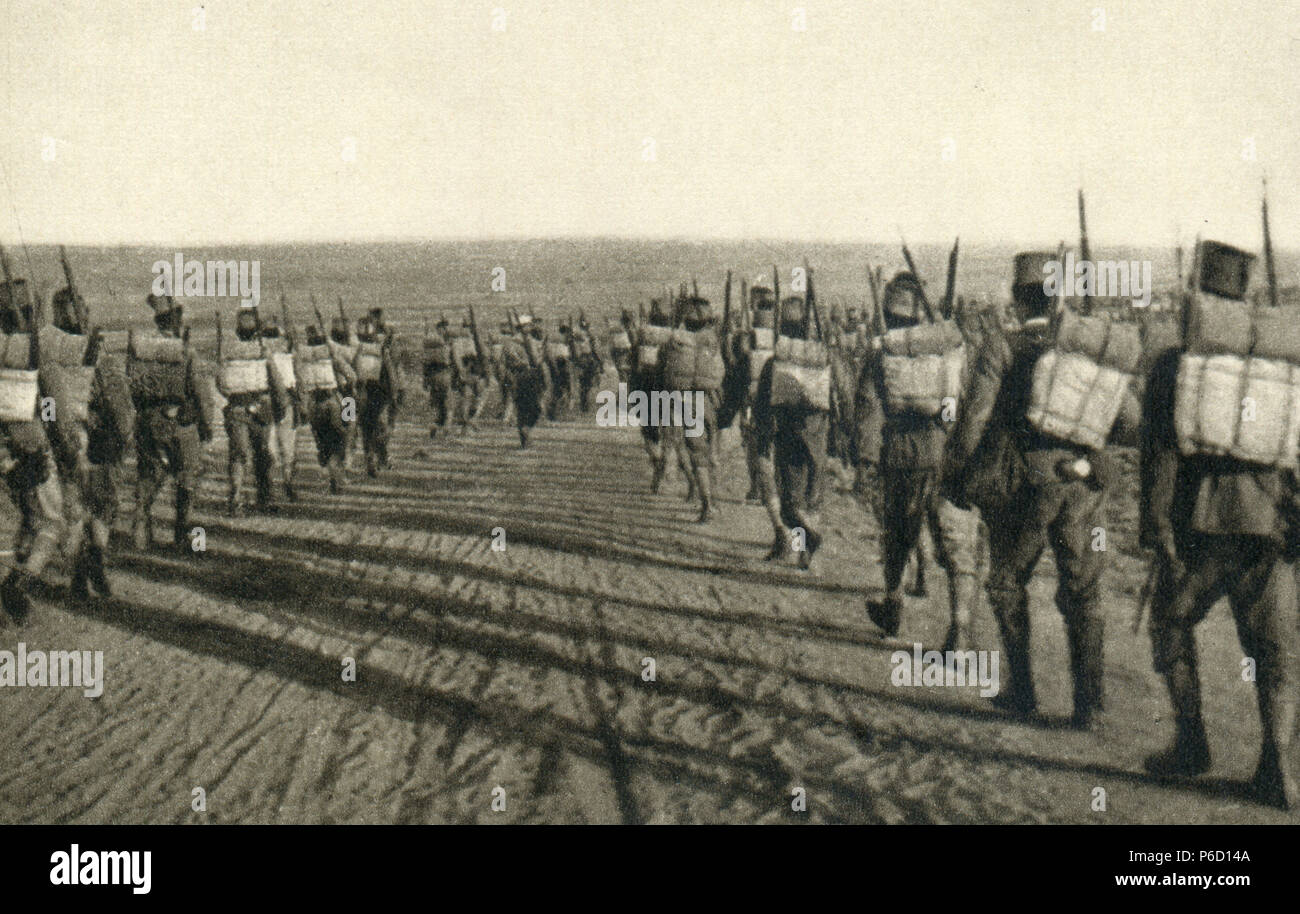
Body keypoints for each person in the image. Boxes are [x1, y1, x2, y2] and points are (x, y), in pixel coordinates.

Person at [944, 258, 1138, 728]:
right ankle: (1089, 705)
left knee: (1008, 581)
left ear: (1017, 296)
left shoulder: (1003, 345)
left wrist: (959, 472)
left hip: (1026, 484)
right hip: (1084, 482)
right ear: (1059, 298)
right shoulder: (1086, 348)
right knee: (1084, 590)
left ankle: (1022, 690)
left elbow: (975, 419)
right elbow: (1130, 420)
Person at [1140, 290, 1300, 809]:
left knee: (1169, 620)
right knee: (1275, 647)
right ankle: (1278, 767)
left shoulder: (1178, 363)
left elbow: (1160, 452)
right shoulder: (1282, 365)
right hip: (1269, 526)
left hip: (1199, 528)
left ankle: (1191, 742)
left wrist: (1158, 524)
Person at [856, 272, 981, 651]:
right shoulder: (949, 351)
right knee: (958, 542)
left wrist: (865, 459)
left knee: (898, 534)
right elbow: (965, 400)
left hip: (902, 453)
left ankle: (893, 606)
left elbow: (868, 407)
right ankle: (959, 628)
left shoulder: (882, 352)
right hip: (947, 451)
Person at [0, 278, 64, 621]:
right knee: (52, 524)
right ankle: (17, 584)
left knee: (23, 518)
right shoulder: (35, 351)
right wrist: (59, 440)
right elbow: (53, 405)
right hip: (30, 446)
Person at [751, 294, 828, 568]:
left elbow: (762, 403)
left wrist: (762, 436)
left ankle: (805, 539)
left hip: (788, 436)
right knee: (812, 497)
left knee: (791, 502)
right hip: (818, 437)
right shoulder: (823, 360)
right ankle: (804, 554)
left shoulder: (776, 362)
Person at [131, 293, 211, 551]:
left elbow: (130, 385)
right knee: (188, 475)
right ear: (175, 320)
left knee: (148, 475)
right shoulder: (186, 350)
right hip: (180, 423)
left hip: (148, 421)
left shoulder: (141, 349)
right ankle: (181, 531)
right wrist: (206, 423)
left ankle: (141, 530)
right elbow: (200, 391)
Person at [219, 306, 284, 514]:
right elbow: (276, 381)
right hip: (259, 408)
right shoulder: (263, 352)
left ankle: (238, 498)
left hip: (240, 408)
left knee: (242, 454)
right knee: (260, 453)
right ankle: (259, 497)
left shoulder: (228, 352)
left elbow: (221, 384)